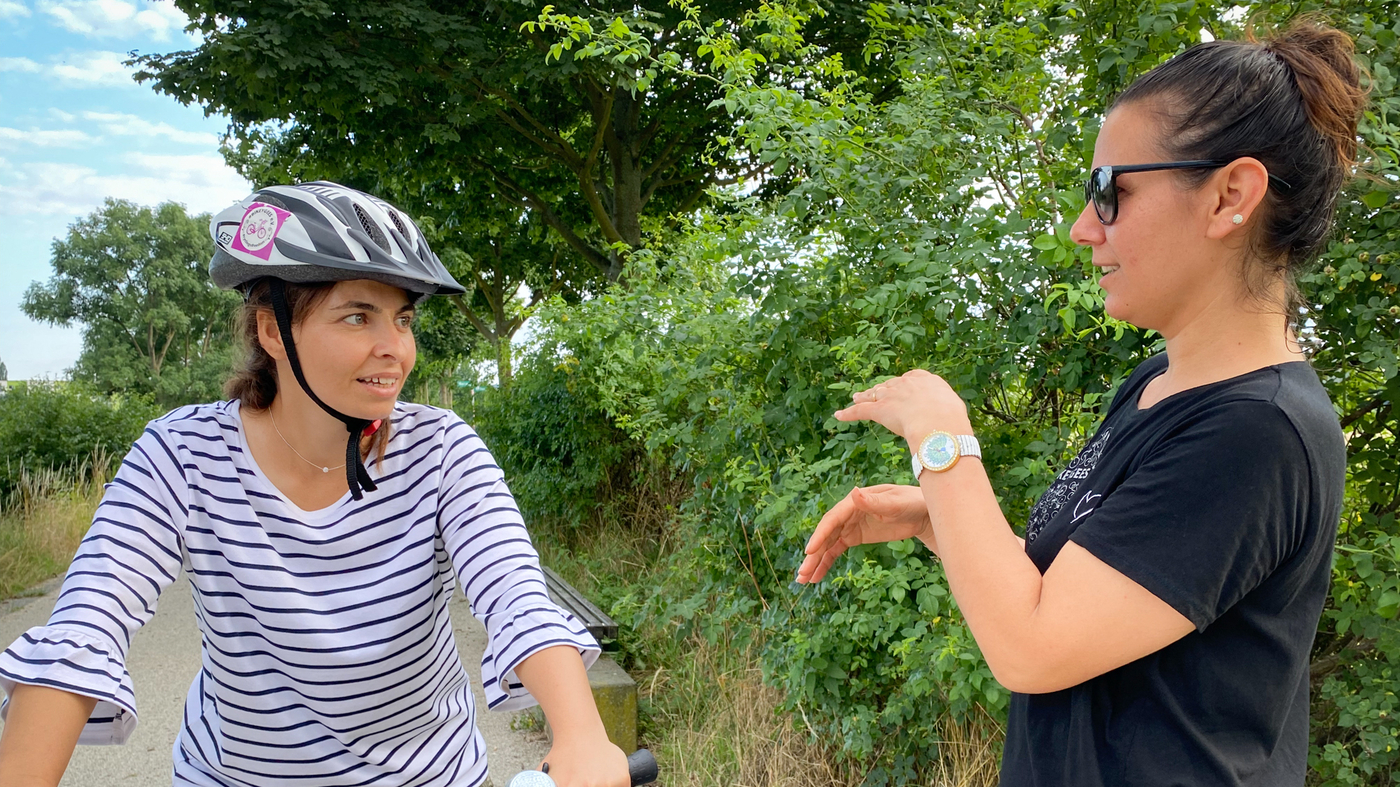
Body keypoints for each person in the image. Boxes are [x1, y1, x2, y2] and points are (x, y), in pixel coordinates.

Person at [796, 19, 1366, 787]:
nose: (1081, 228)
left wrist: (943, 436)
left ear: (1230, 195)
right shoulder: (1160, 384)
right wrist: (940, 517)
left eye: (1110, 193)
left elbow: (1031, 647)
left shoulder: (1259, 430)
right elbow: (1067, 595)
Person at [0, 182, 629, 787]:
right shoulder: (182, 453)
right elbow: (88, 622)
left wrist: (580, 736)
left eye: (402, 319)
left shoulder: (441, 450)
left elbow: (515, 596)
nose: (394, 349)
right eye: (358, 317)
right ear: (273, 332)